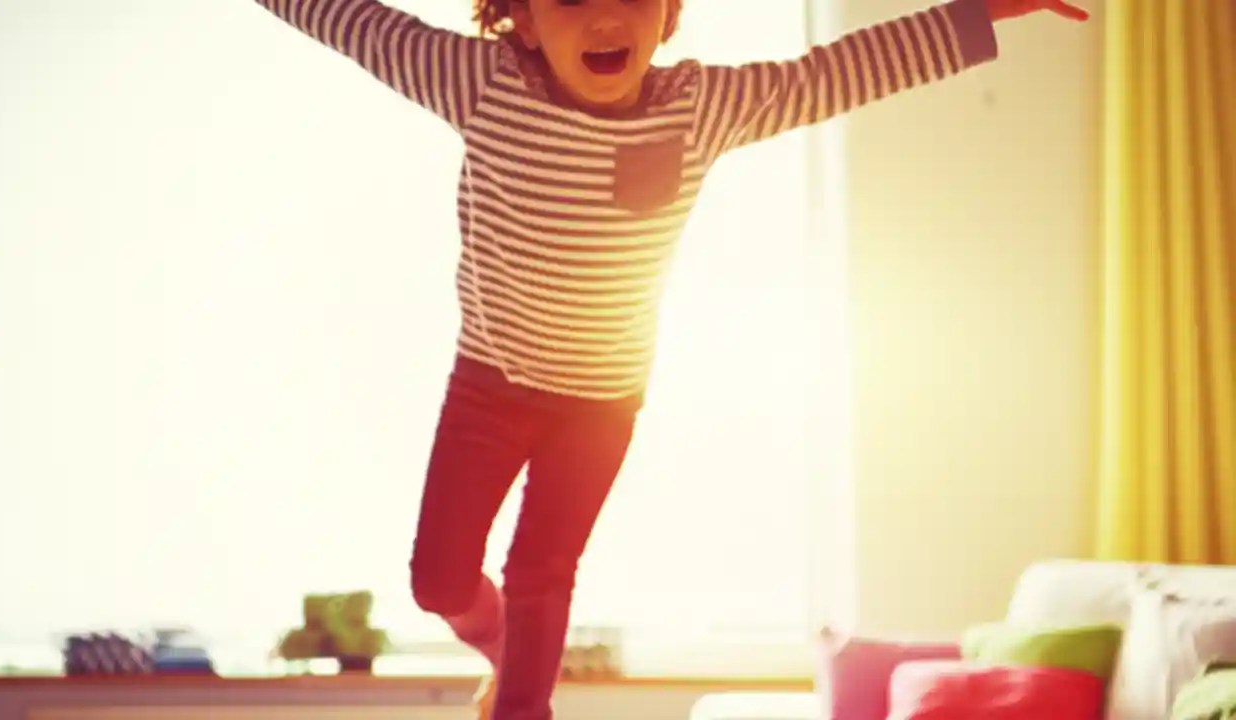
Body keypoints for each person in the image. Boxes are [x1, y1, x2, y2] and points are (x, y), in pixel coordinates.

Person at [245, 0, 1089, 717]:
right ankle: (500, 645)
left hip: (602, 402)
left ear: (671, 12)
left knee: (542, 570)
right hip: (489, 383)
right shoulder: (478, 81)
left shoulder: (698, 106)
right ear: (523, 20)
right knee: (437, 581)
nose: (608, 16)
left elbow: (842, 71)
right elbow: (351, 19)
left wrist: (980, 11)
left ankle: (522, 698)